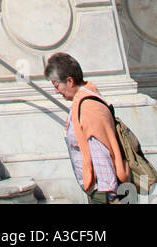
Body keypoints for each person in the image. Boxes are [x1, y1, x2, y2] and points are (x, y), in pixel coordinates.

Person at [45, 52, 131, 203]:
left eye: (56, 85)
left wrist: (110, 197)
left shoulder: (87, 108)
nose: (56, 91)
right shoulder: (83, 101)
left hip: (104, 192)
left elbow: (100, 152)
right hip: (101, 191)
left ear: (70, 81)